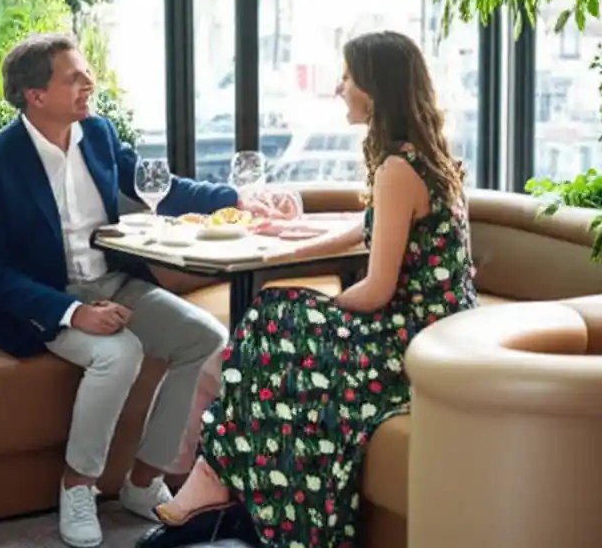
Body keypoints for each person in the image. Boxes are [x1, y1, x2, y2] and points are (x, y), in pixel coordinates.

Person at [136, 30, 479, 548]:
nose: (339, 88)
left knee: (272, 316)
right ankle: (222, 482)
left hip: (408, 338)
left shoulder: (394, 169)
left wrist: (321, 309)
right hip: (443, 328)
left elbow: (377, 291)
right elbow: (378, 228)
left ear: (375, 88)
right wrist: (298, 239)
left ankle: (217, 478)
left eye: (347, 78)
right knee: (274, 321)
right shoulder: (426, 160)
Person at [0, 33, 282, 548]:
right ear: (35, 95)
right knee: (120, 353)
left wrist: (239, 196)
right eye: (74, 77)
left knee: (203, 337)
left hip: (114, 281)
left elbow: (161, 186)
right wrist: (70, 312)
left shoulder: (99, 133)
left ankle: (141, 484)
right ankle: (78, 487)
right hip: (48, 298)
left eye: (86, 73)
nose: (90, 83)